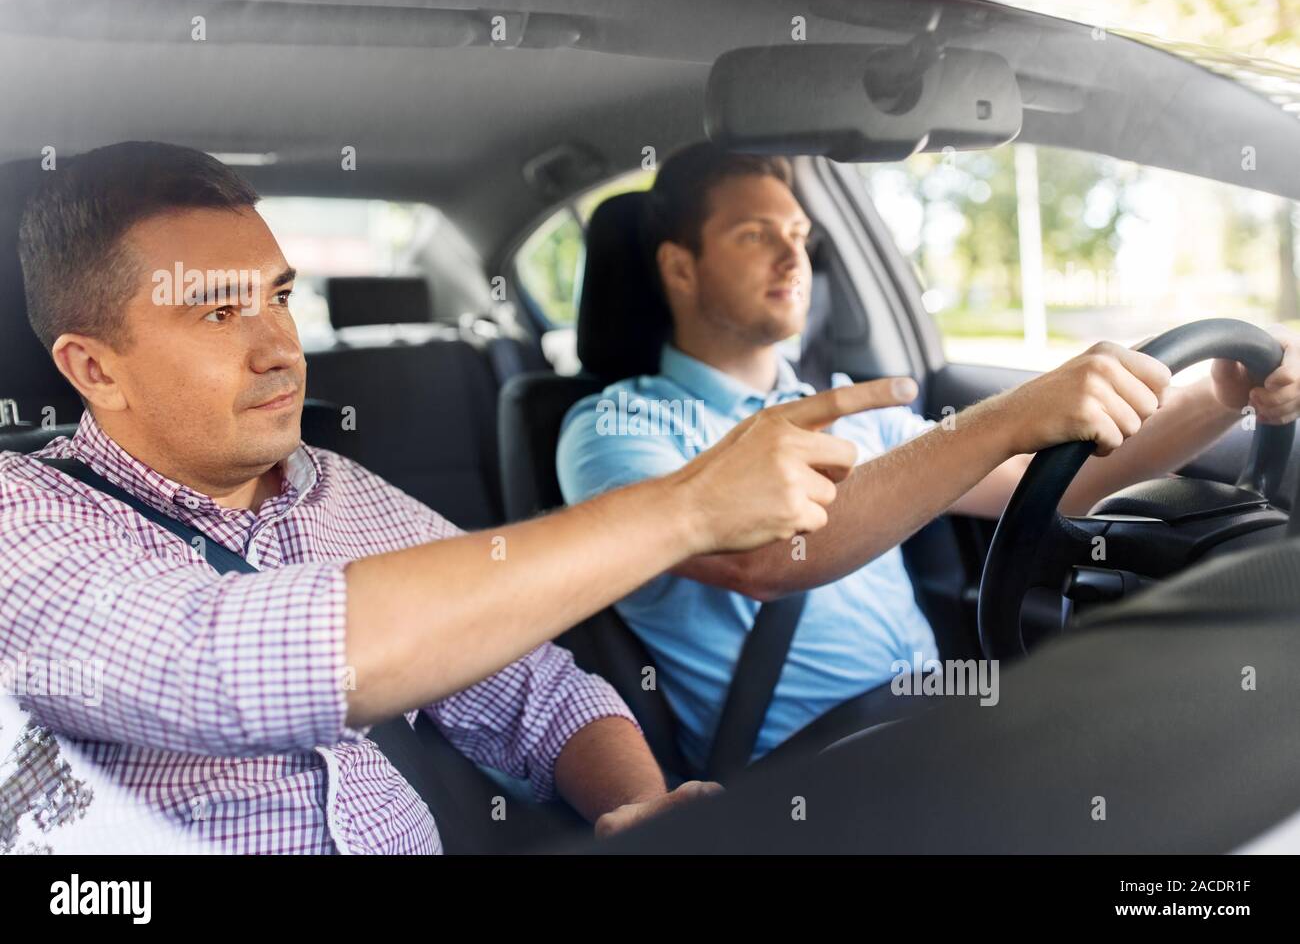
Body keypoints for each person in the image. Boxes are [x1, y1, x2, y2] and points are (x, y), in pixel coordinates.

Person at [0, 141, 904, 853]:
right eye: (218, 312)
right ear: (93, 367)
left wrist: (639, 803)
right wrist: (685, 508)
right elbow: (229, 663)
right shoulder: (24, 518)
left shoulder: (343, 493)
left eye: (279, 298)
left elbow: (535, 690)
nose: (280, 347)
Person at [557, 142, 1300, 771]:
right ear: (680, 268)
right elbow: (764, 560)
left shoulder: (848, 404)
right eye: (755, 234)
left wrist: (1221, 393)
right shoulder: (614, 428)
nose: (794, 255)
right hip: (804, 772)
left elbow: (1066, 488)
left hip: (943, 718)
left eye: (799, 232)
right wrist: (1010, 417)